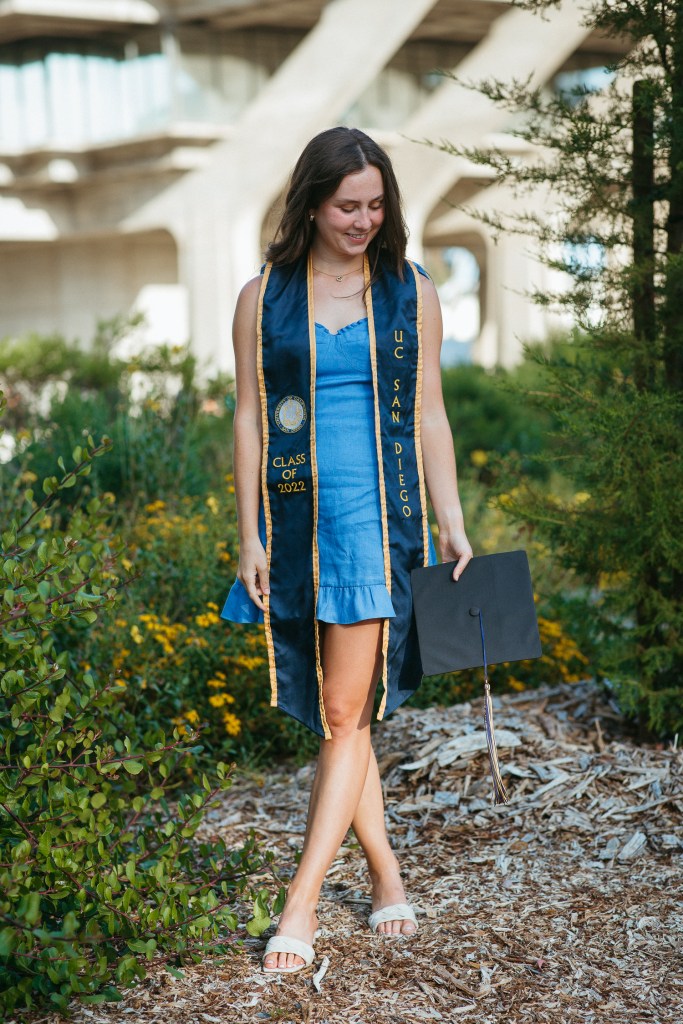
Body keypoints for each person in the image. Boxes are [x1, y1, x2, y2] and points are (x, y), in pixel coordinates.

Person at [221, 126, 472, 973]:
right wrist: (248, 533)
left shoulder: (408, 291)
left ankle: (300, 905)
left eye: (374, 205)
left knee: (339, 714)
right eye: (346, 206)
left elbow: (430, 410)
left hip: (376, 520)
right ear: (311, 204)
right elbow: (250, 418)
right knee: (345, 714)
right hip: (298, 525)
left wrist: (452, 519)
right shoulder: (263, 298)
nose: (362, 220)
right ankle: (386, 872)